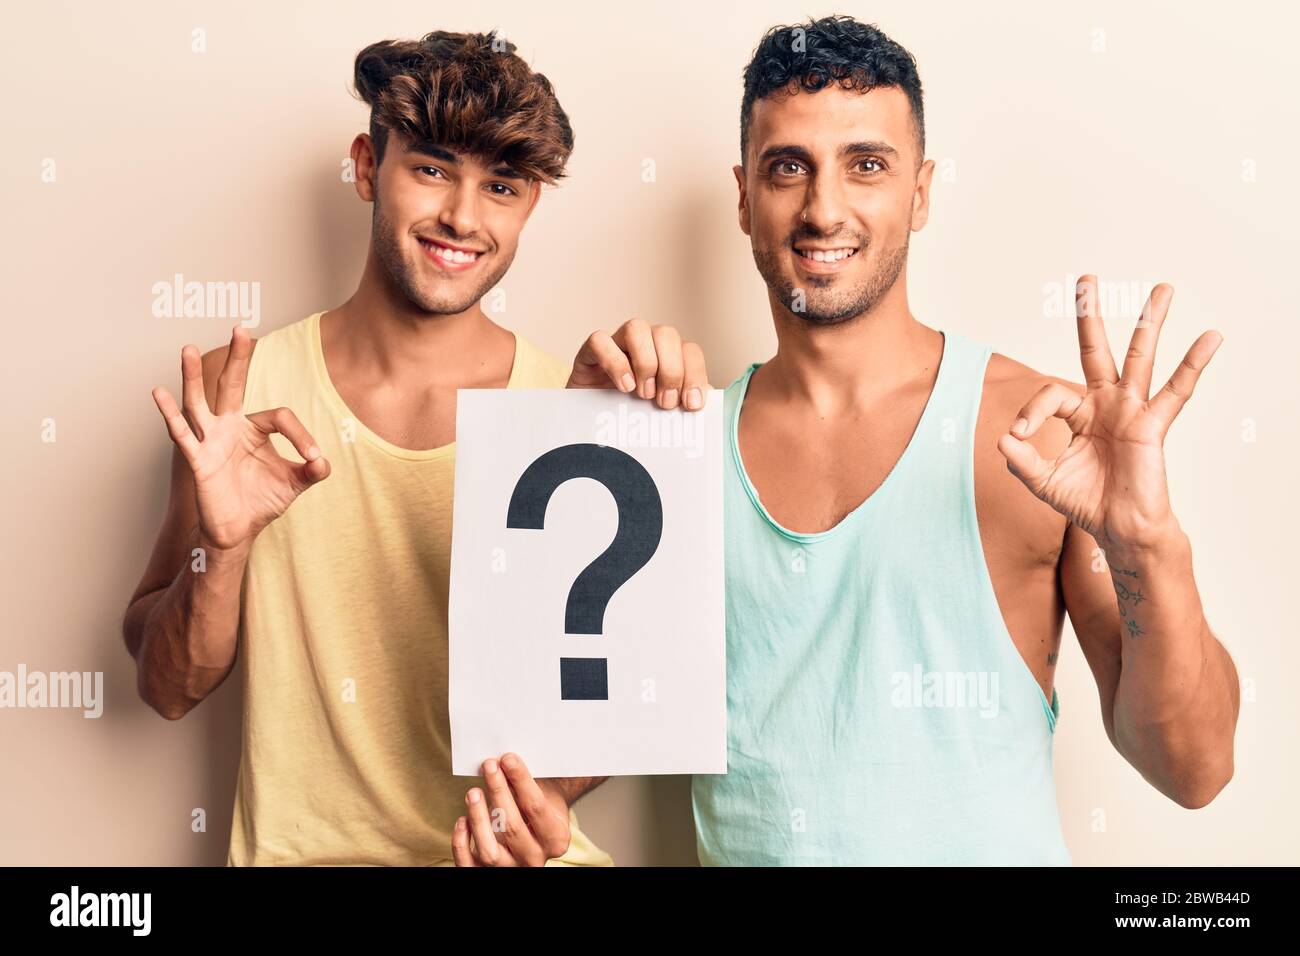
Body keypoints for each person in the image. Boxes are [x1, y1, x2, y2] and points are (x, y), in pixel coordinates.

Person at [121, 29, 705, 867]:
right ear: (366, 166)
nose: (463, 218)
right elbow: (168, 688)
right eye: (431, 169)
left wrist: (539, 801)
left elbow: (603, 699)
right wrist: (223, 546)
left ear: (529, 204)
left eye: (500, 186)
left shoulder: (579, 404)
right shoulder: (238, 397)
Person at [686, 15, 1239, 864]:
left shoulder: (1036, 433)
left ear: (921, 193)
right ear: (744, 196)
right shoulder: (680, 457)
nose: (824, 207)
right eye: (788, 167)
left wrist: (1147, 545)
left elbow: (1193, 769)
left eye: (866, 165)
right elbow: (584, 726)